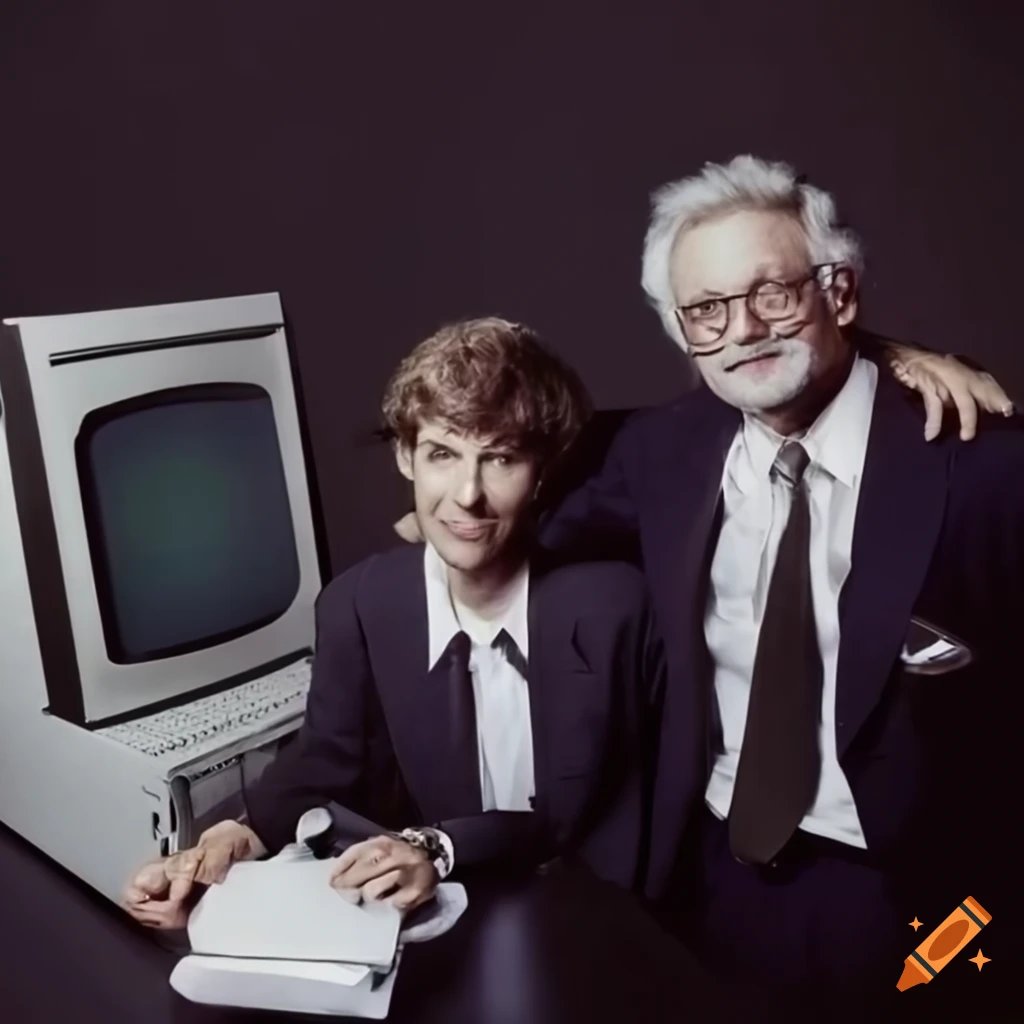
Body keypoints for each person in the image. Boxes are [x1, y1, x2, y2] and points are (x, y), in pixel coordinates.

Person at [534, 155, 1021, 1010]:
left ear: (840, 292)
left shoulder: (985, 468)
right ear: (683, 334)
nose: (745, 328)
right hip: (716, 881)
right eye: (708, 310)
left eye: (774, 293)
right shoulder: (663, 451)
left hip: (929, 904)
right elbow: (521, 504)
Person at [121, 317, 666, 930]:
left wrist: (439, 845)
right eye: (442, 453)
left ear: (542, 471)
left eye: (501, 458)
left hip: (599, 930)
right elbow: (324, 762)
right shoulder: (360, 603)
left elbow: (583, 822)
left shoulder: (620, 608)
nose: (467, 494)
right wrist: (220, 849)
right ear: (406, 455)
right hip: (449, 930)